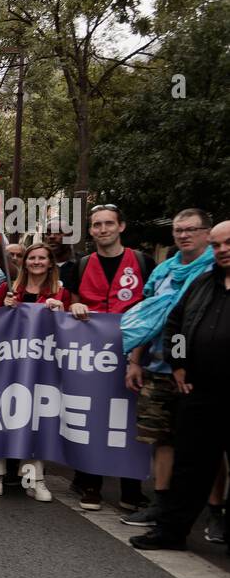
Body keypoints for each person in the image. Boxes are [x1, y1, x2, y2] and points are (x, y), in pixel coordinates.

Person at [131, 220, 230, 551]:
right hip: (199, 389)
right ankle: (171, 532)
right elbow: (175, 322)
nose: (222, 250)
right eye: (217, 245)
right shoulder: (203, 282)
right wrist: (180, 364)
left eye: (227, 243)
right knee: (190, 463)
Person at [108, 207, 211, 522]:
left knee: (208, 444)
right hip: (157, 367)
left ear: (206, 233)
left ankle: (215, 511)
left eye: (191, 229)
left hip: (200, 371)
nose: (183, 235)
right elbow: (145, 319)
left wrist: (182, 360)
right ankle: (162, 504)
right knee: (161, 439)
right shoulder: (163, 271)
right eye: (179, 230)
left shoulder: (214, 272)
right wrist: (135, 360)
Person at [65, 205, 160, 513]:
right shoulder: (81, 265)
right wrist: (74, 309)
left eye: (108, 224)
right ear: (90, 231)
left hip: (134, 355)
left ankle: (130, 488)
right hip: (91, 358)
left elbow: (152, 308)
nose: (102, 229)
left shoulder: (143, 262)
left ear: (121, 227)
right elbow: (72, 302)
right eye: (96, 225)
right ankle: (90, 483)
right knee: (92, 417)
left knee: (130, 419)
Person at [0, 243, 69, 502]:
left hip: (42, 368)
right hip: (8, 365)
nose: (36, 262)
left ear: (50, 263)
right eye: (32, 257)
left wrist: (61, 312)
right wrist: (4, 306)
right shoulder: (8, 288)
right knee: (3, 416)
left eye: (42, 258)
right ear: (25, 262)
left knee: (37, 422)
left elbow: (71, 329)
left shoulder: (61, 292)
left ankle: (33, 478)